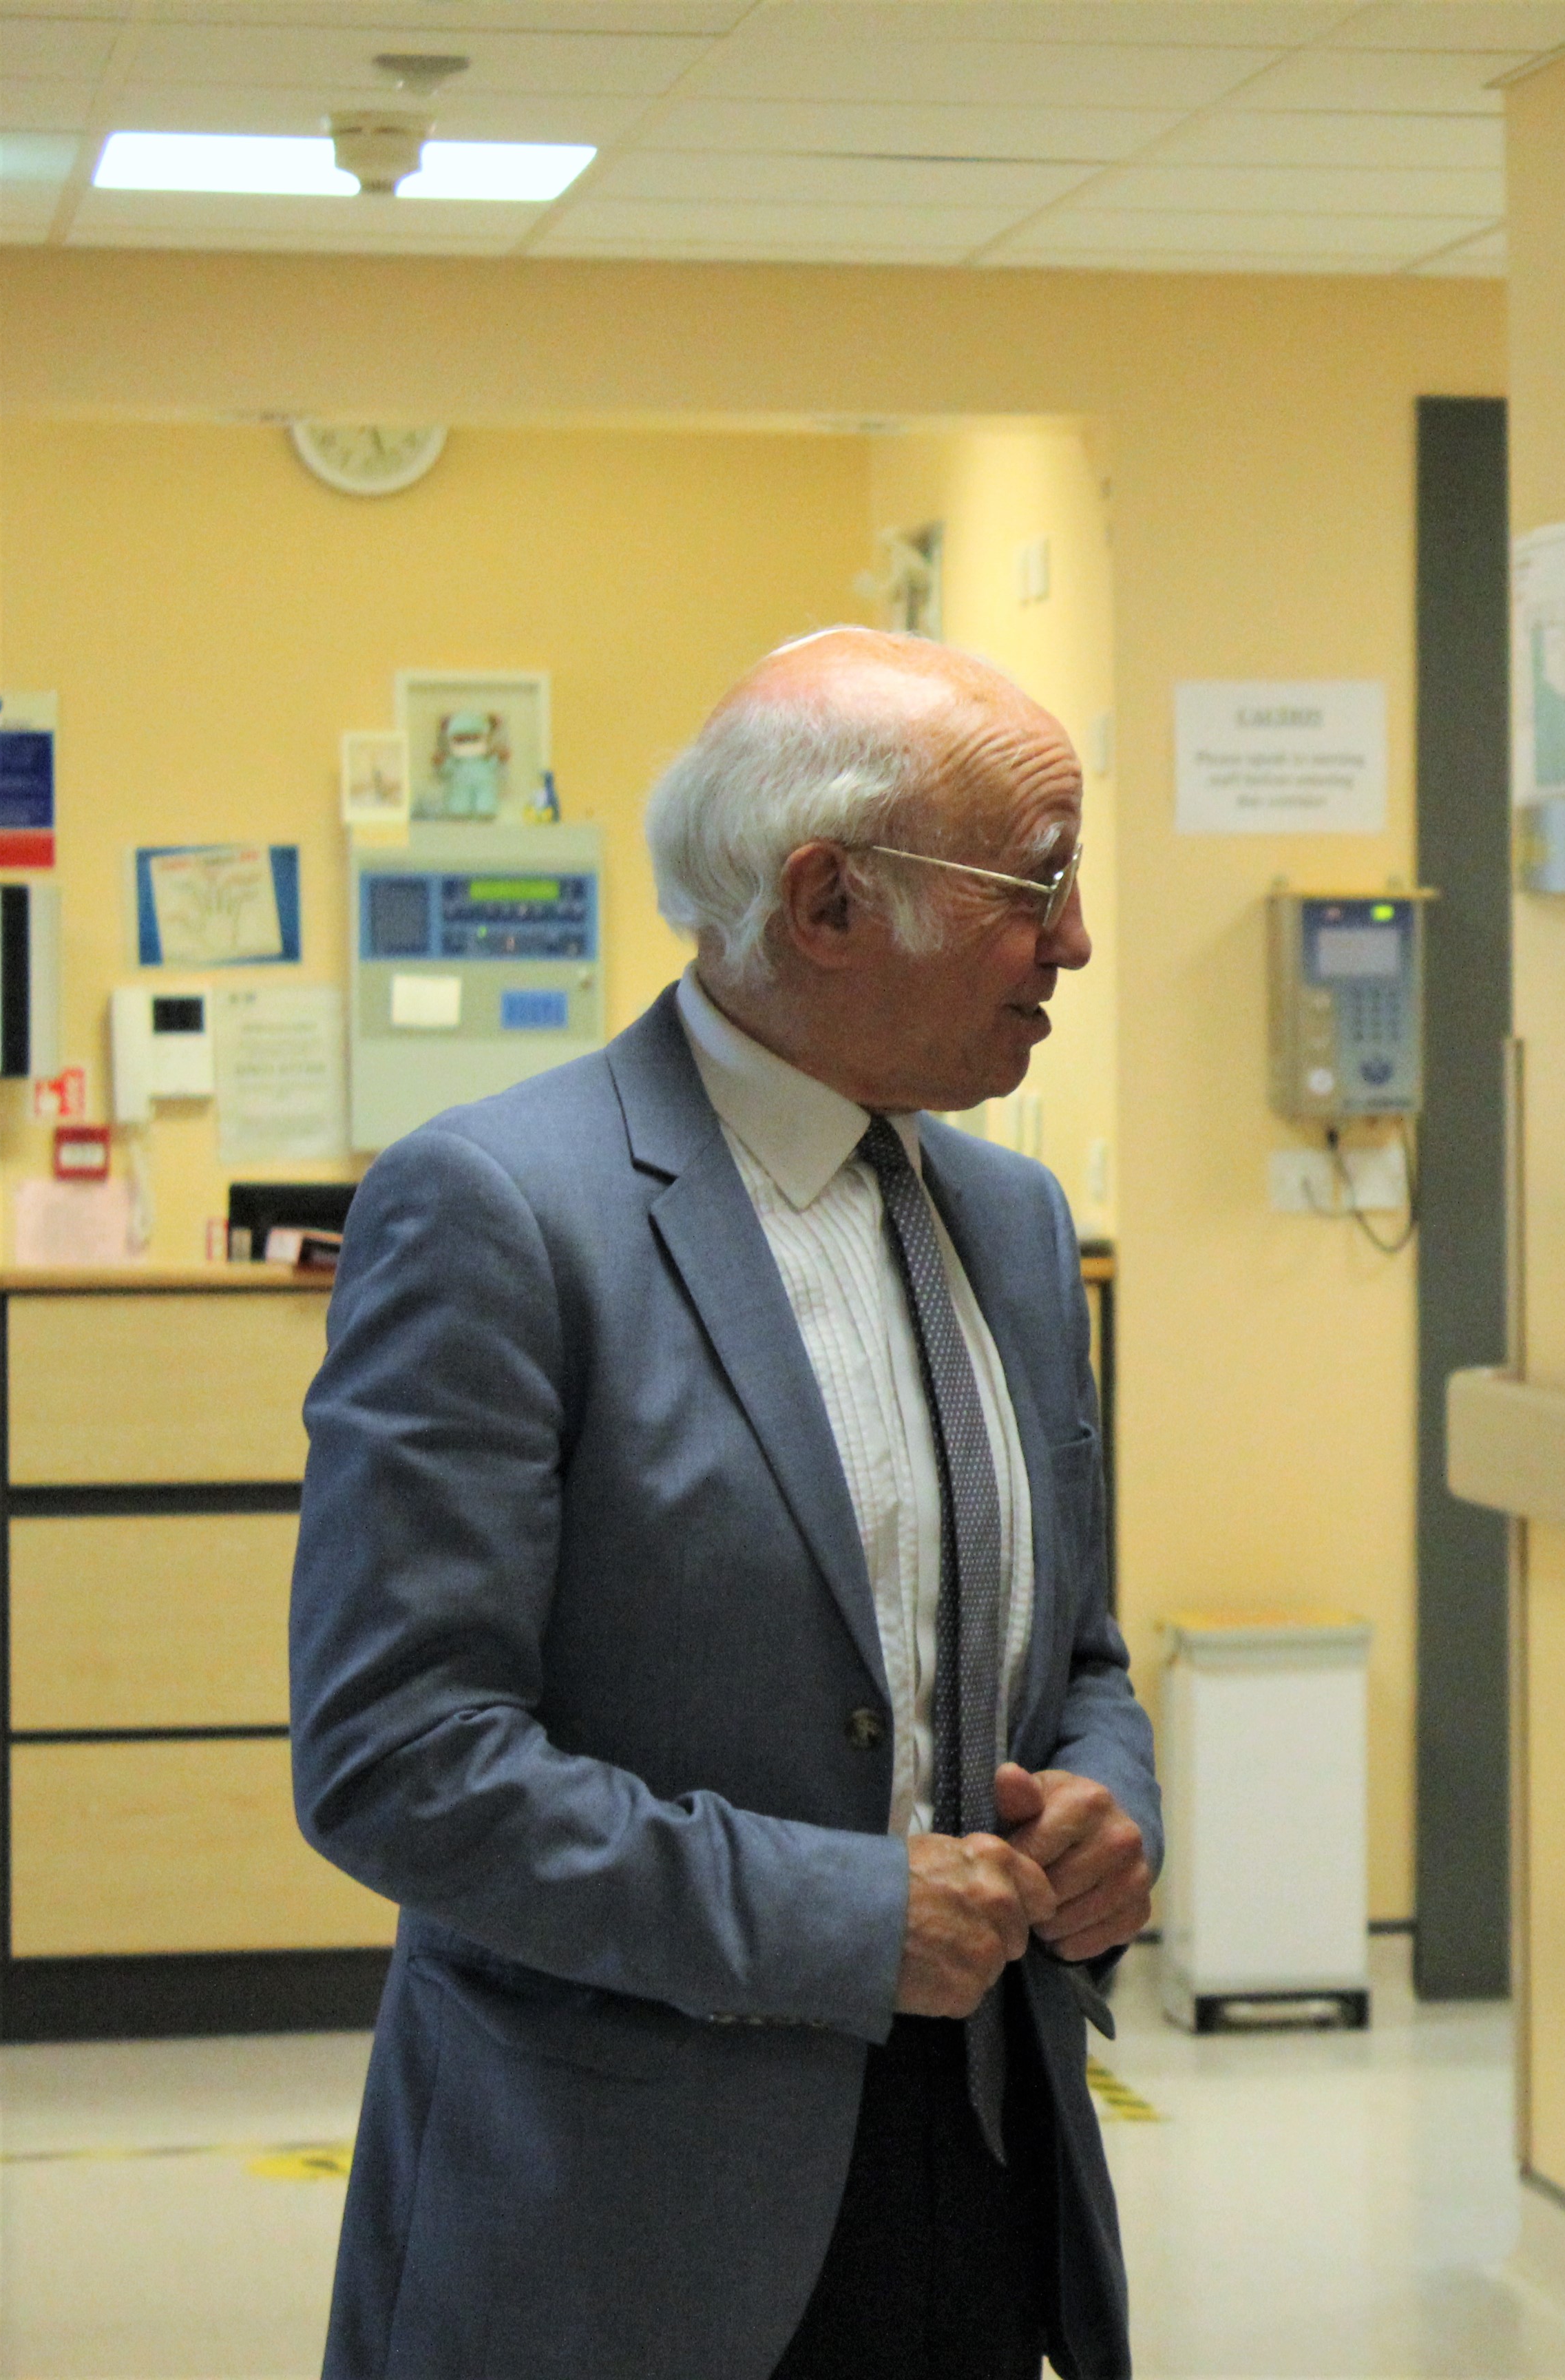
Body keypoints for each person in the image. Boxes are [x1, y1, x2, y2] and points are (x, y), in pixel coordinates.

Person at [291, 629, 1160, 2380]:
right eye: (1033, 884)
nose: (1072, 939)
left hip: (985, 2172)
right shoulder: (501, 1215)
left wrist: (1105, 1811)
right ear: (827, 902)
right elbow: (399, 1760)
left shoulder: (1010, 1222)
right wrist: (840, 1921)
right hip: (626, 2217)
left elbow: (1076, 1655)